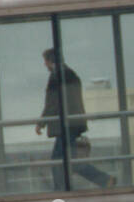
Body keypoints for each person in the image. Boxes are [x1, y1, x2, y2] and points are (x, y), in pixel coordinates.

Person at [36, 49, 114, 188]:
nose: (44, 64)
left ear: (50, 61)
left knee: (58, 160)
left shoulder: (56, 76)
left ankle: (61, 191)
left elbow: (52, 103)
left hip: (65, 126)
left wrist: (41, 123)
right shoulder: (71, 74)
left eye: (45, 61)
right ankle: (104, 180)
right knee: (71, 162)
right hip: (74, 123)